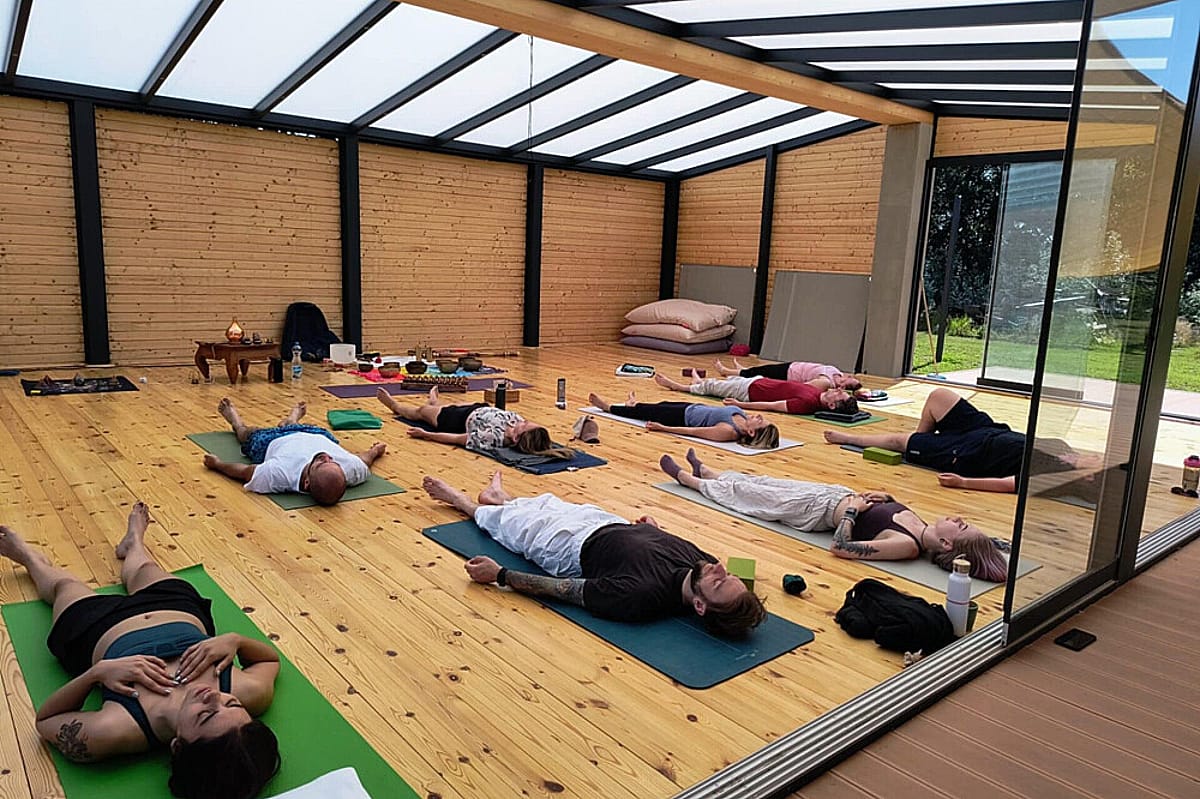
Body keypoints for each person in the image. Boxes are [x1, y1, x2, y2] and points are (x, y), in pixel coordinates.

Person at [0, 504, 280, 799]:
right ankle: (134, 542)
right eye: (231, 704)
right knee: (144, 568)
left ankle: (30, 558)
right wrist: (234, 641)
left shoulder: (116, 730)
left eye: (206, 716)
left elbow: (45, 722)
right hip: (175, 607)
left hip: (96, 627)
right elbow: (269, 659)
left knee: (64, 584)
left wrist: (97, 673)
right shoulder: (251, 691)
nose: (213, 697)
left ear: (178, 745)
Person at [422, 472, 767, 637]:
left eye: (721, 582)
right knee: (545, 503)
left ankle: (461, 501)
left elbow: (564, 590)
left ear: (700, 606)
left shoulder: (640, 597)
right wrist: (653, 531)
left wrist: (500, 575)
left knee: (503, 523)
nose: (720, 569)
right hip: (606, 521)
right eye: (728, 574)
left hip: (565, 546)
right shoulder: (702, 566)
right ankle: (502, 498)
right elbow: (662, 548)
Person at [659, 448, 1009, 581]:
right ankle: (712, 472)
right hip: (830, 495)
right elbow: (985, 548)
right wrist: (887, 497)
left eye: (960, 525)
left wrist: (853, 513)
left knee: (753, 499)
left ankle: (690, 481)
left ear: (947, 542)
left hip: (816, 513)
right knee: (762, 482)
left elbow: (841, 547)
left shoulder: (907, 546)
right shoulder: (923, 527)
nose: (956, 516)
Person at [823, 388, 1097, 493]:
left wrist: (963, 482)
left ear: (1087, 477)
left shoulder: (1056, 475)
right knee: (938, 396)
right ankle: (921, 441)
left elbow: (1009, 484)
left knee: (899, 440)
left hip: (967, 453)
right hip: (986, 429)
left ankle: (849, 437)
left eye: (1096, 466)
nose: (1096, 459)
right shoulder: (1064, 450)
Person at [203, 398, 385, 506]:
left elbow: (244, 472)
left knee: (246, 435)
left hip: (272, 441)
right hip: (315, 433)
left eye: (321, 462)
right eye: (332, 461)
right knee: (296, 427)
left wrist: (217, 464)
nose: (326, 456)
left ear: (306, 482)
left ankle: (235, 420)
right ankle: (292, 419)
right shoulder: (351, 470)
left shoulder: (279, 474)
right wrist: (376, 450)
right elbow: (365, 459)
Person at [376, 387, 572, 460]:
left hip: (455, 420)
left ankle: (396, 406)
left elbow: (457, 439)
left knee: (421, 413)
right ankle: (435, 402)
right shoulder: (517, 424)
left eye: (525, 425)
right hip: (479, 408)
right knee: (443, 406)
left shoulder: (493, 438)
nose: (524, 421)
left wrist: (426, 435)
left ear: (516, 437)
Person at [587, 389, 779, 450]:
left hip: (680, 417)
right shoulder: (743, 416)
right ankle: (633, 405)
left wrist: (664, 428)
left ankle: (608, 407)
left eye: (760, 421)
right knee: (658, 404)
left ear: (752, 431)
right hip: (691, 407)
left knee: (646, 412)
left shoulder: (728, 431)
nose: (760, 416)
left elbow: (694, 432)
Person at [652, 372, 860, 417]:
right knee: (721, 383)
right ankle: (699, 382)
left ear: (832, 406)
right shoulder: (819, 391)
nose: (840, 390)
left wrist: (741, 405)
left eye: (840, 395)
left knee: (714, 387)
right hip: (758, 382)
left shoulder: (807, 404)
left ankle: (679, 387)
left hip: (749, 393)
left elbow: (772, 406)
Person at [714, 357, 863, 393]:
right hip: (793, 366)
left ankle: (726, 371)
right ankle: (743, 370)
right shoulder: (836, 372)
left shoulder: (828, 381)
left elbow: (806, 387)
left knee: (760, 373)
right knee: (762, 369)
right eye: (848, 379)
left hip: (788, 374)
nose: (843, 382)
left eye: (846, 386)